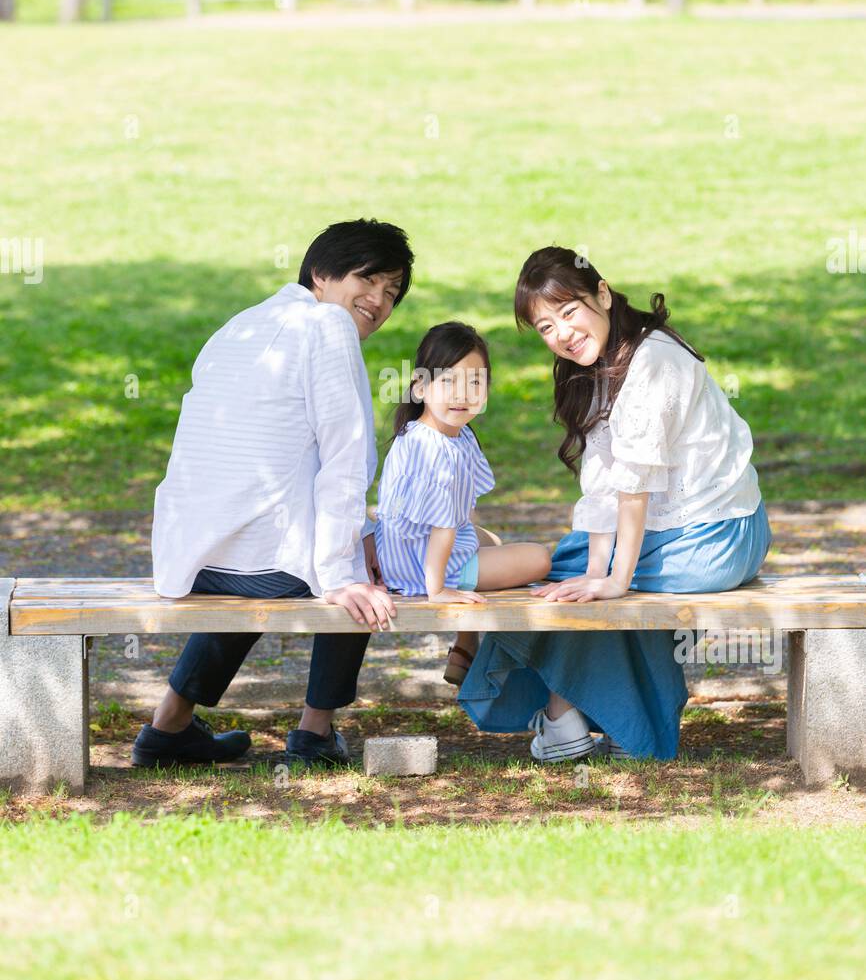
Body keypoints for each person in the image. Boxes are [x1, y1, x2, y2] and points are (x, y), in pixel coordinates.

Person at [457, 246, 773, 764]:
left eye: (569, 311)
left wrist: (614, 579)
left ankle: (567, 715)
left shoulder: (654, 363)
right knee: (575, 575)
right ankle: (595, 720)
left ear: (601, 294)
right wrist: (599, 572)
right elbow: (605, 489)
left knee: (573, 579)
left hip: (719, 535)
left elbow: (634, 487)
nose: (561, 333)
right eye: (544, 327)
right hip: (677, 528)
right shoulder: (605, 362)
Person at [132, 218, 414, 771]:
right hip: (260, 567)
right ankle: (315, 732)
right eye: (370, 280)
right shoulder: (328, 327)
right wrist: (343, 574)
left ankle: (170, 726)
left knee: (301, 541)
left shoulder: (240, 324)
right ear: (322, 273)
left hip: (192, 559)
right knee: (364, 570)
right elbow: (345, 460)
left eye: (392, 293)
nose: (379, 301)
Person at [374, 321, 551, 685]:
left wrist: (475, 541)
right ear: (421, 387)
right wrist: (438, 590)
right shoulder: (439, 451)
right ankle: (473, 642)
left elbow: (460, 513)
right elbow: (443, 525)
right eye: (449, 381)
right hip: (425, 567)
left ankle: (465, 646)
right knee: (540, 558)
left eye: (474, 382)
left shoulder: (426, 433)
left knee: (494, 542)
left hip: (405, 555)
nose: (463, 393)